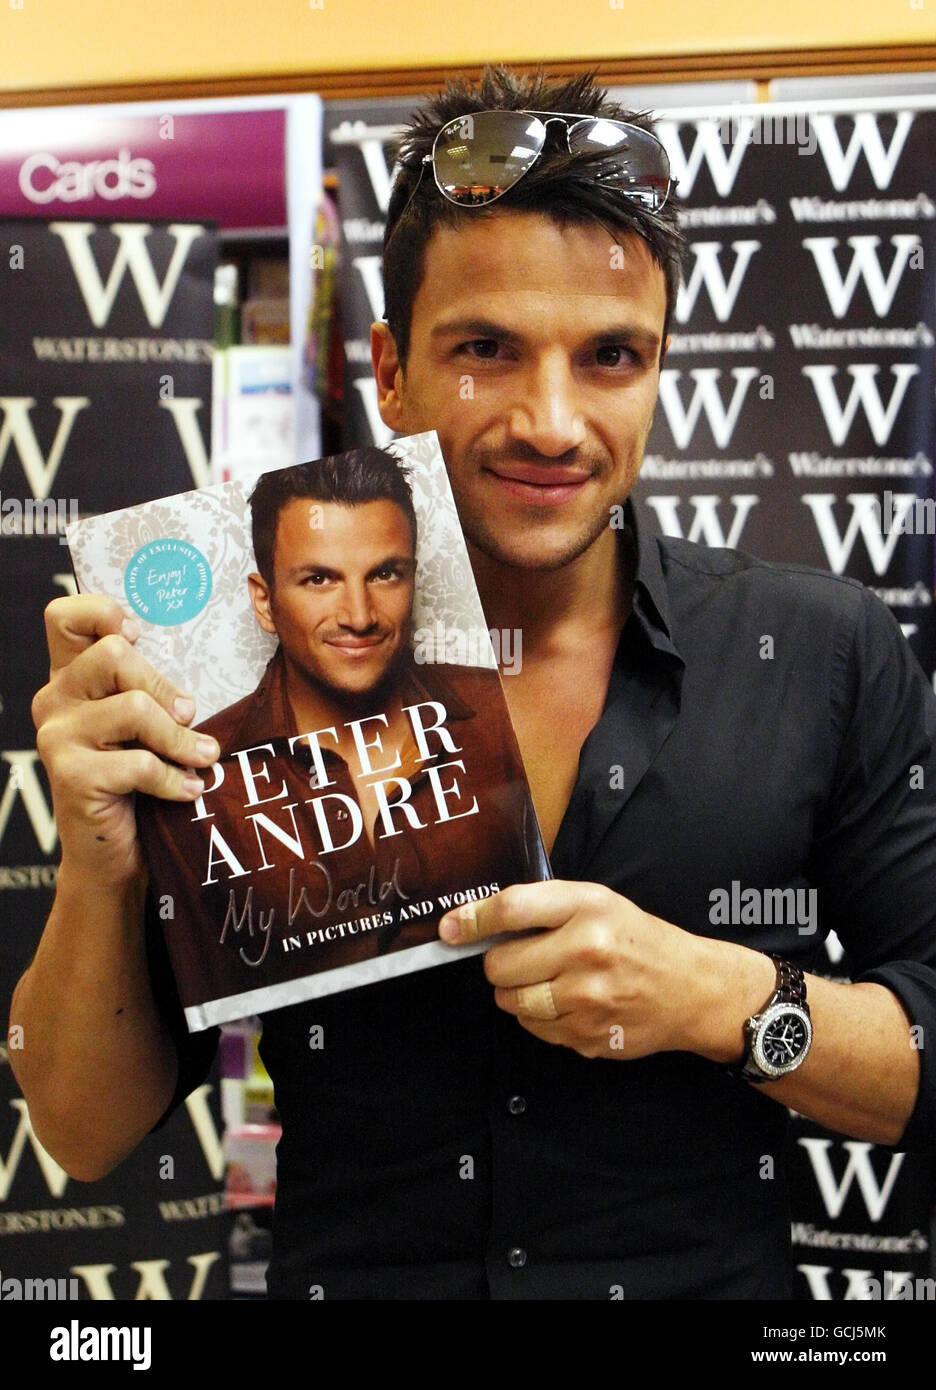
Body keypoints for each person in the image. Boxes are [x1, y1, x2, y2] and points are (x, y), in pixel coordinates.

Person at [12, 64, 936, 1299]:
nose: (551, 421)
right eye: (487, 350)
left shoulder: (823, 650)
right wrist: (99, 849)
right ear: (391, 368)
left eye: (611, 355)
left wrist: (721, 996)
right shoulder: (227, 669)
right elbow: (80, 1128)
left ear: (659, 371)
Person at [135, 448, 545, 1021]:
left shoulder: (495, 711)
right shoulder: (198, 776)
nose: (359, 614)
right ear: (265, 601)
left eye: (384, 573)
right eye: (320, 579)